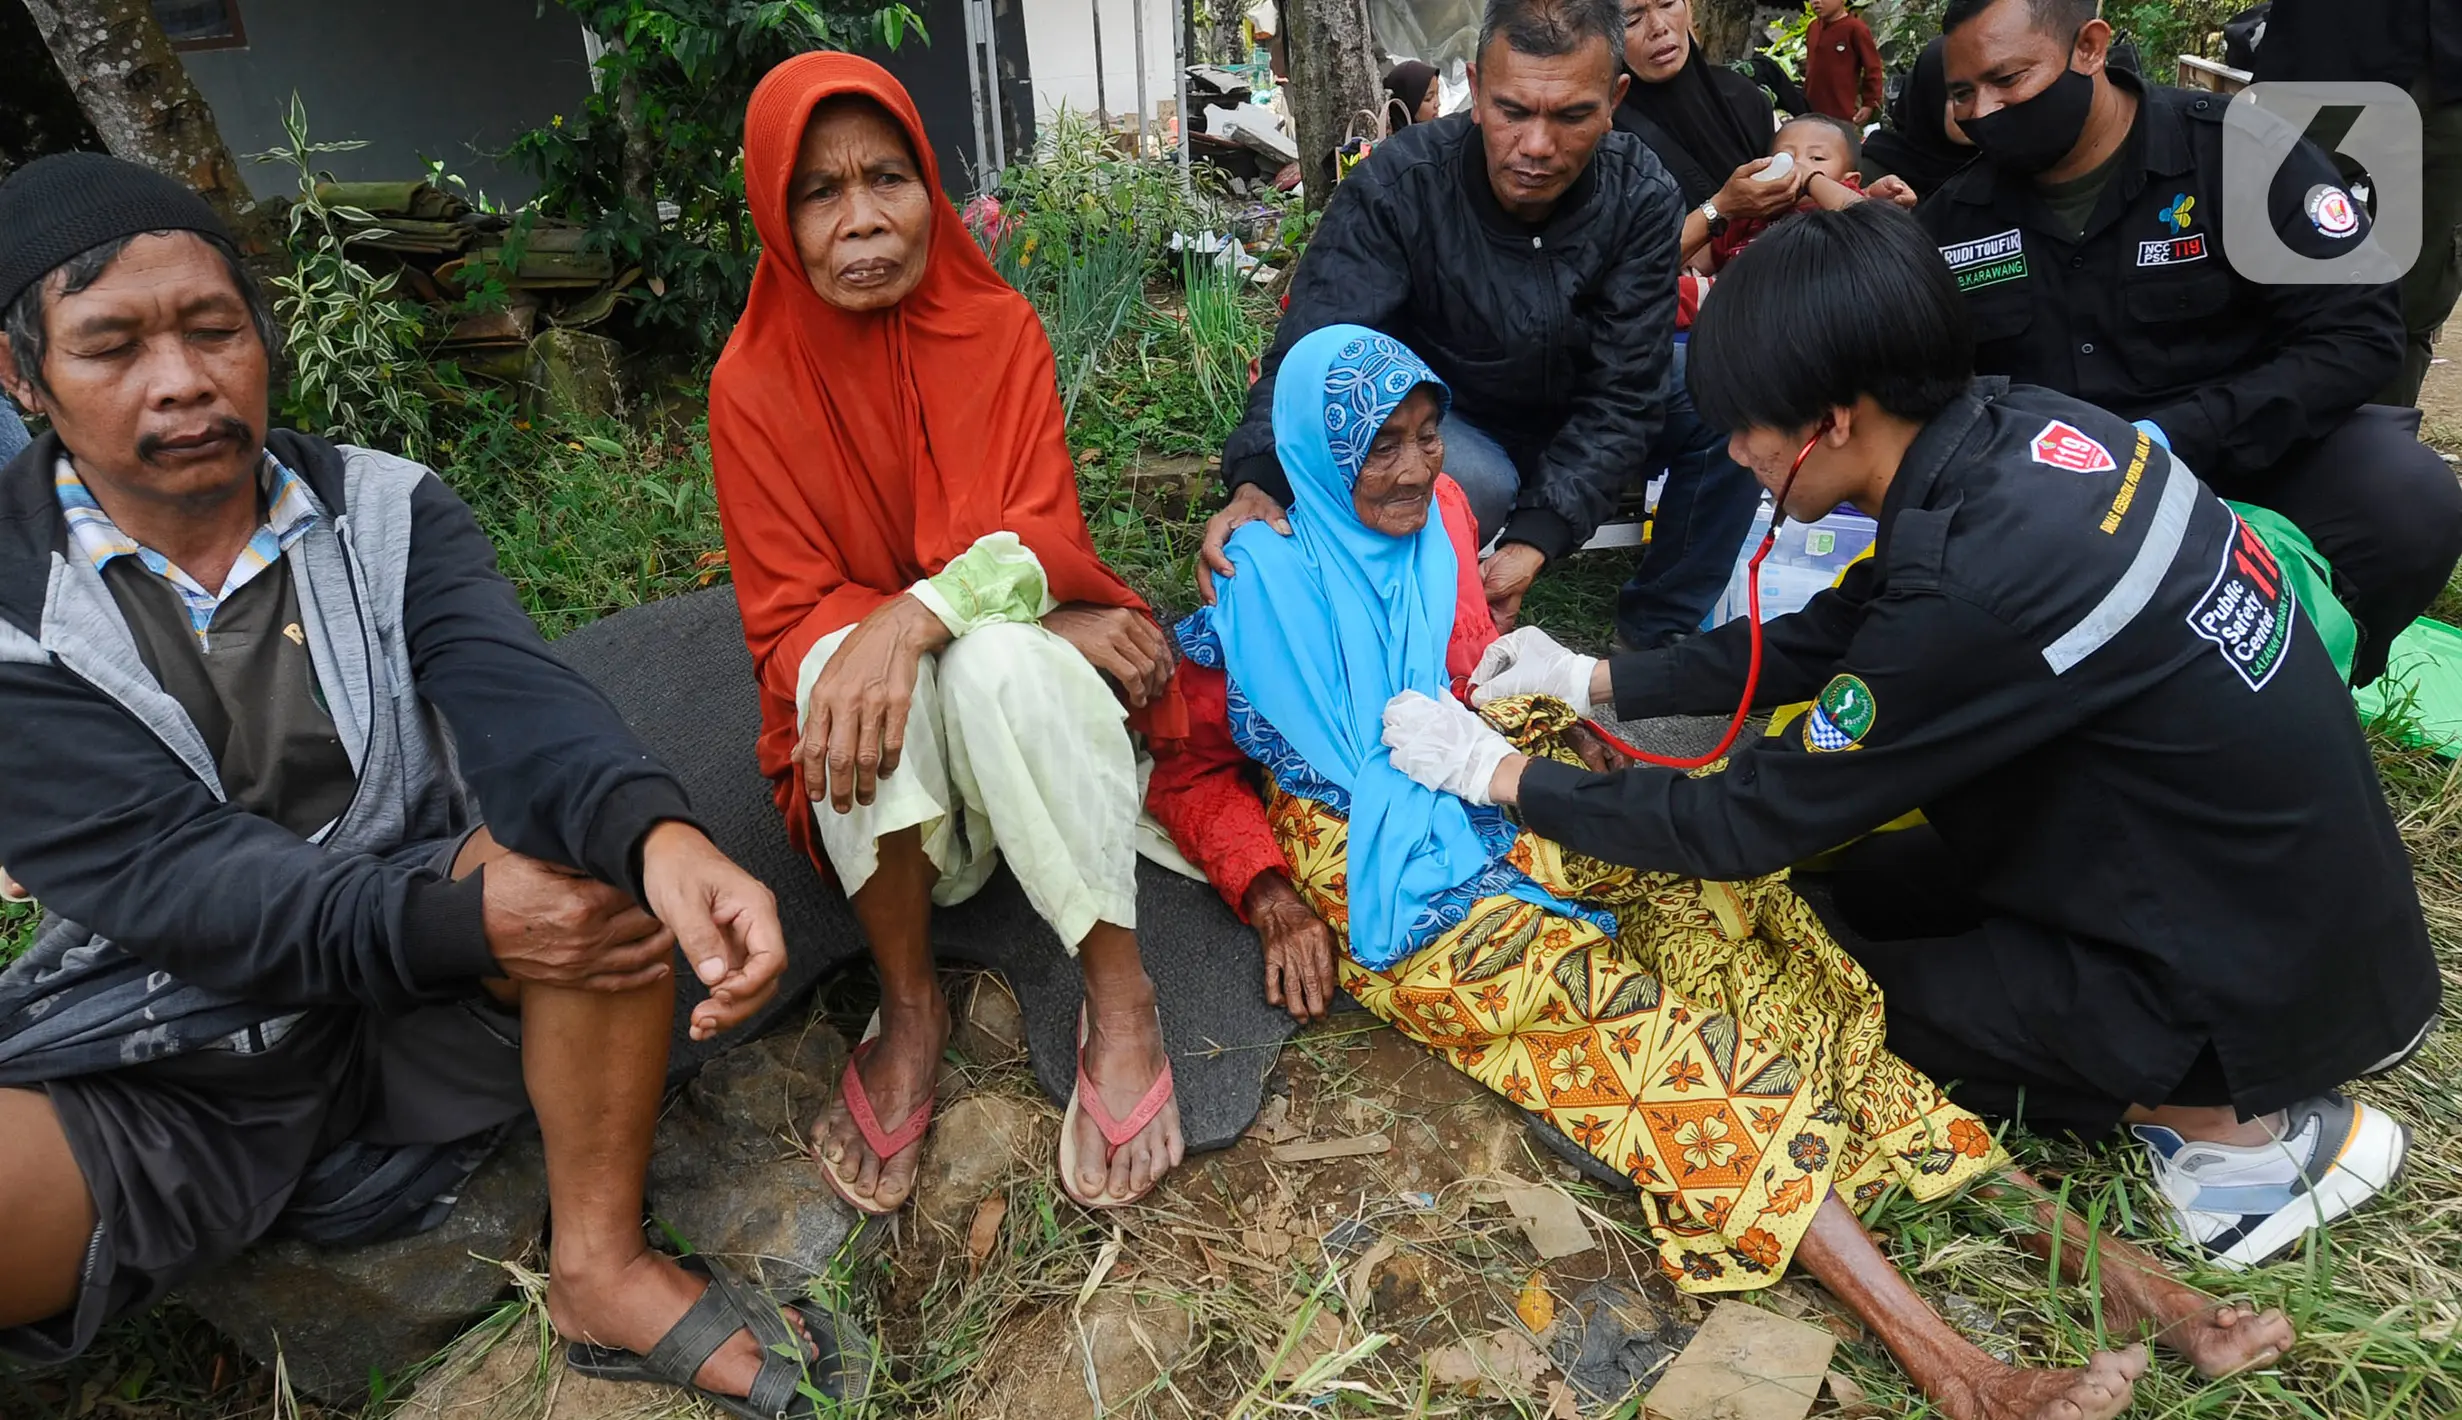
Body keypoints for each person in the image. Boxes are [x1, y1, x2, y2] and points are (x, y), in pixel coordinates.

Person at [1157, 322, 2281, 1420]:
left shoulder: (1445, 519)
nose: (1413, 470)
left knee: (1766, 950)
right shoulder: (1253, 582)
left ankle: (2138, 1286)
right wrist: (1263, 890)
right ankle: (1959, 1373)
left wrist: (1554, 708)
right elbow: (1189, 768)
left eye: (1425, 433)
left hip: (1498, 770)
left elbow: (1471, 666)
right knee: (1631, 1030)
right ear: (1314, 455)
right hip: (1392, 869)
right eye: (1378, 451)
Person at [1387, 202, 2433, 1285]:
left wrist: (1500, 772)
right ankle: (2198, 1063)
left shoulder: (1970, 587)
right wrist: (1593, 676)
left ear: (1830, 421)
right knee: (1849, 891)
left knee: (1835, 998)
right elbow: (1847, 625)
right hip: (2285, 900)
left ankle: (2233, 1132)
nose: (1735, 454)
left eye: (1744, 428)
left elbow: (1742, 820)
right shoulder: (2024, 433)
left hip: (2241, 981)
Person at [0, 154, 844, 1414]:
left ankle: (600, 1269)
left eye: (213, 328)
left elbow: (523, 705)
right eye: (109, 345)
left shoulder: (384, 510)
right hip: (170, 1042)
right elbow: (171, 881)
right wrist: (456, 921)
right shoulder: (16, 612)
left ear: (260, 333)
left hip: (420, 987)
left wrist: (655, 834)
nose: (179, 380)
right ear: (22, 376)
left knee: (584, 871)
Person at [709, 55, 1184, 1219]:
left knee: (1001, 654)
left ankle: (1119, 995)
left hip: (1002, 721)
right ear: (777, 214)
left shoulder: (997, 329)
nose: (863, 218)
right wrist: (901, 632)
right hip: (888, 778)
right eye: (820, 191)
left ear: (931, 187)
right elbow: (784, 621)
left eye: (888, 177)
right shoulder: (750, 385)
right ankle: (910, 999)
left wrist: (919, 614)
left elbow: (1039, 532)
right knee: (837, 664)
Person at [1918, 0, 2462, 686]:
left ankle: (2308, 680)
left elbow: (2355, 335)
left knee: (2404, 497)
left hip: (2250, 460)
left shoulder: (2240, 156)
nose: (1985, 110)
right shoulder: (1955, 223)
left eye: (2009, 79)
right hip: (2060, 502)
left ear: (2089, 48)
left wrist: (2180, 435)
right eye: (1963, 92)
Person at [1202, 0, 1742, 654]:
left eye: (1571, 115)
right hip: (1452, 417)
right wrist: (1259, 477)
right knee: (1472, 481)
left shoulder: (1642, 196)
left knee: (1731, 396)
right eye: (1513, 110)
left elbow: (1626, 391)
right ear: (1477, 91)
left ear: (1614, 100)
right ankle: (1394, 627)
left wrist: (1535, 538)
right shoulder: (1402, 183)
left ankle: (1658, 633)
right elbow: (1314, 350)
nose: (1537, 147)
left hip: (1578, 398)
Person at [2257, 0, 2462, 407]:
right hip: (2325, 57)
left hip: (2448, 75)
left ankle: (2378, 444)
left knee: (2416, 294)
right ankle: (2251, 437)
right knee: (2275, 263)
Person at [1860, 35, 1974, 198]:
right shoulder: (1878, 176)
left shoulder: (2003, 156)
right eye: (1962, 95)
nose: (1981, 107)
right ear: (1928, 102)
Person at [1804, 0, 1884, 125]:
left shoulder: (1856, 29)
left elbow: (1873, 68)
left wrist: (1869, 103)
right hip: (1811, 111)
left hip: (1842, 114)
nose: (1816, 2)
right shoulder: (1813, 27)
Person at [1383, 58, 1441, 130]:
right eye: (1428, 98)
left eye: (1437, 93)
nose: (1438, 104)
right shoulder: (1402, 140)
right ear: (1408, 104)